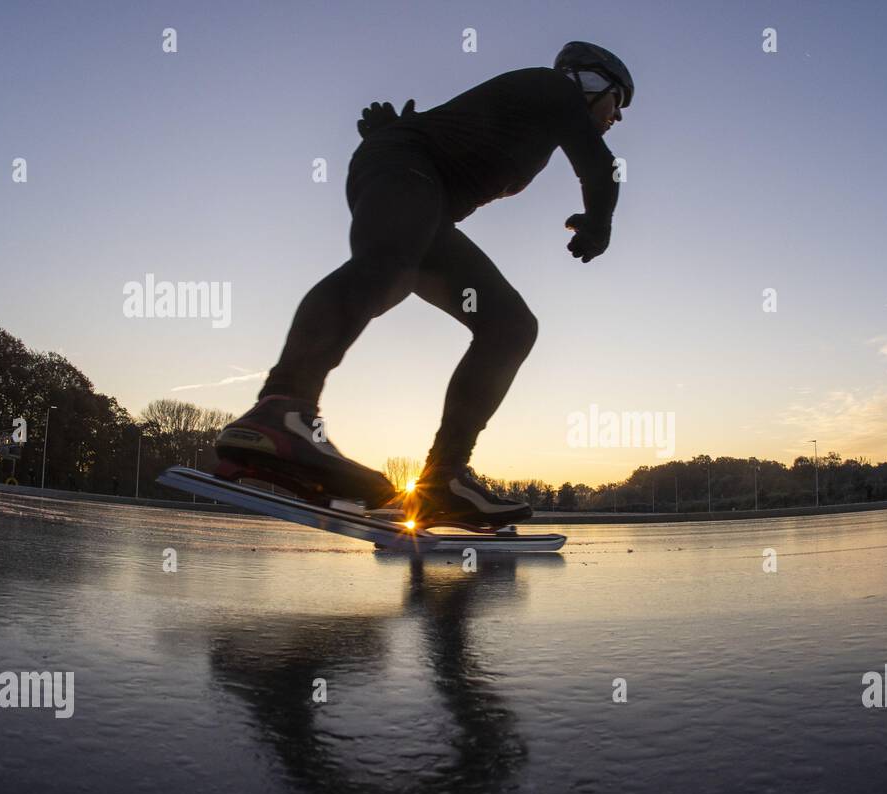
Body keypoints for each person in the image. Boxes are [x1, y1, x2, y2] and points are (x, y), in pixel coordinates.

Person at [213, 42, 632, 527]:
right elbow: (600, 166)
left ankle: (442, 480)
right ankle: (281, 409)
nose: (617, 117)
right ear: (589, 82)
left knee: (511, 326)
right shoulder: (552, 86)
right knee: (390, 265)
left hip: (419, 195)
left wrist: (398, 128)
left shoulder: (537, 116)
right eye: (617, 101)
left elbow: (460, 124)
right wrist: (599, 222)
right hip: (403, 171)